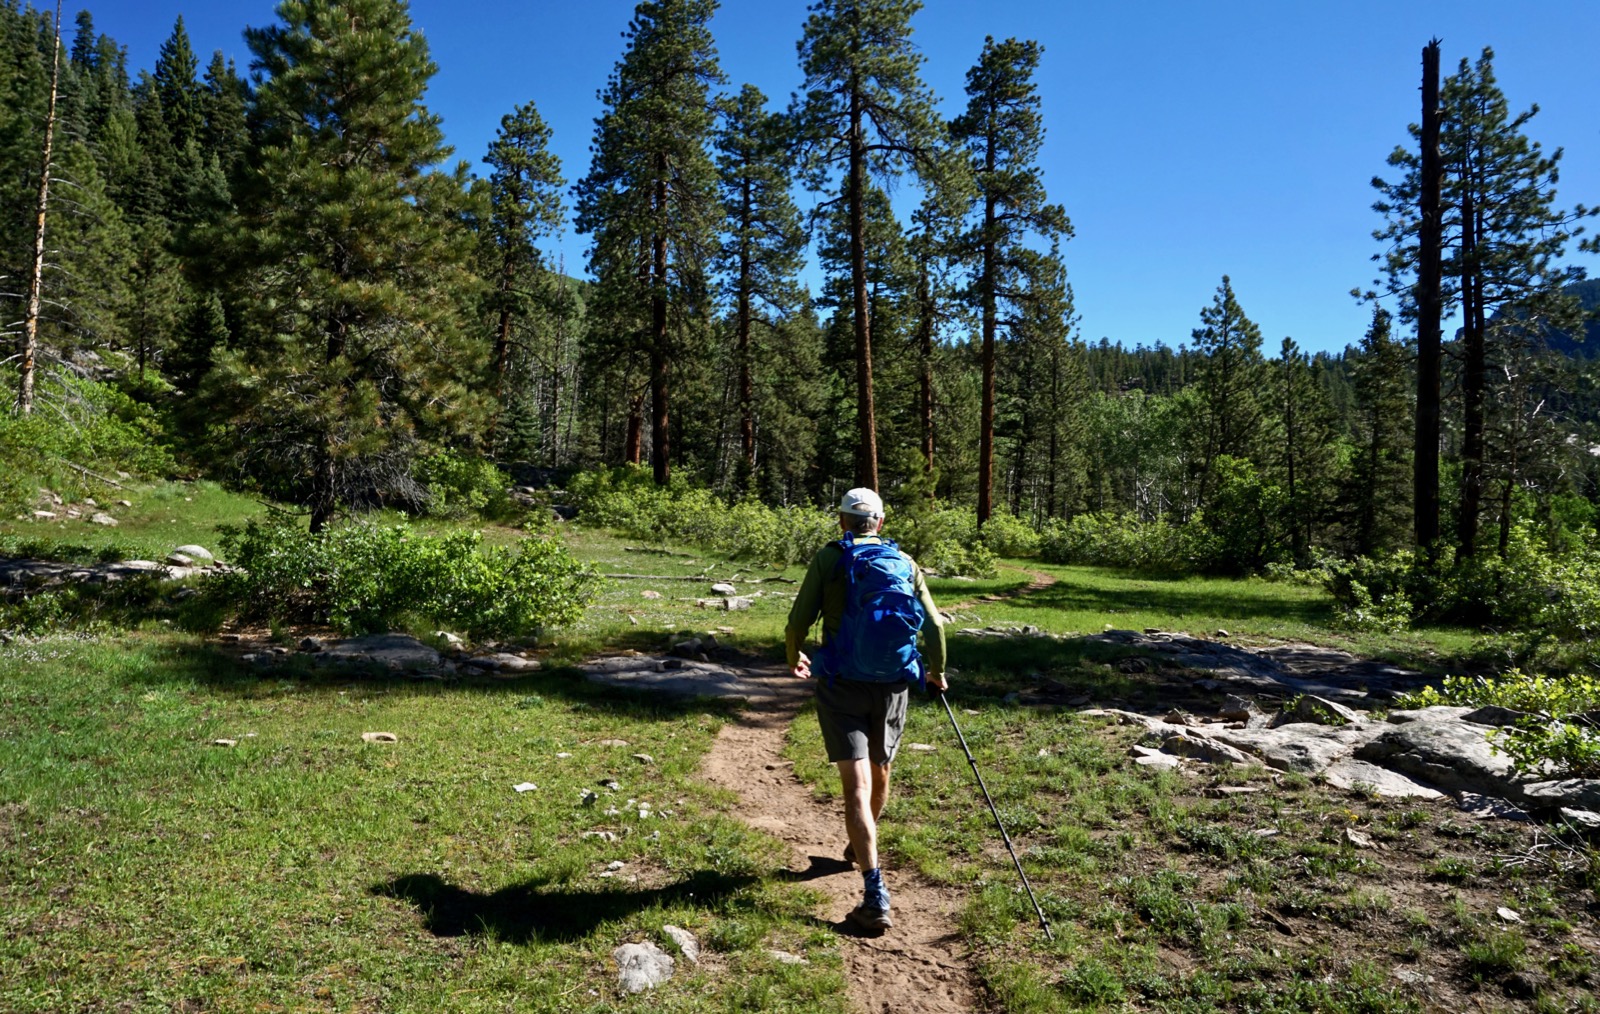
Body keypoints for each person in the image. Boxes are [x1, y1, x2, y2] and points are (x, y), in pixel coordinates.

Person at [786, 487, 947, 932]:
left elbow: (799, 619)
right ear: (879, 522)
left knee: (854, 786)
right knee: (881, 772)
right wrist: (937, 671)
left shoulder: (830, 557)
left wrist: (793, 653)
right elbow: (933, 624)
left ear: (841, 521)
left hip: (841, 682)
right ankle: (860, 849)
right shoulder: (905, 562)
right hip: (893, 683)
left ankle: (874, 891)